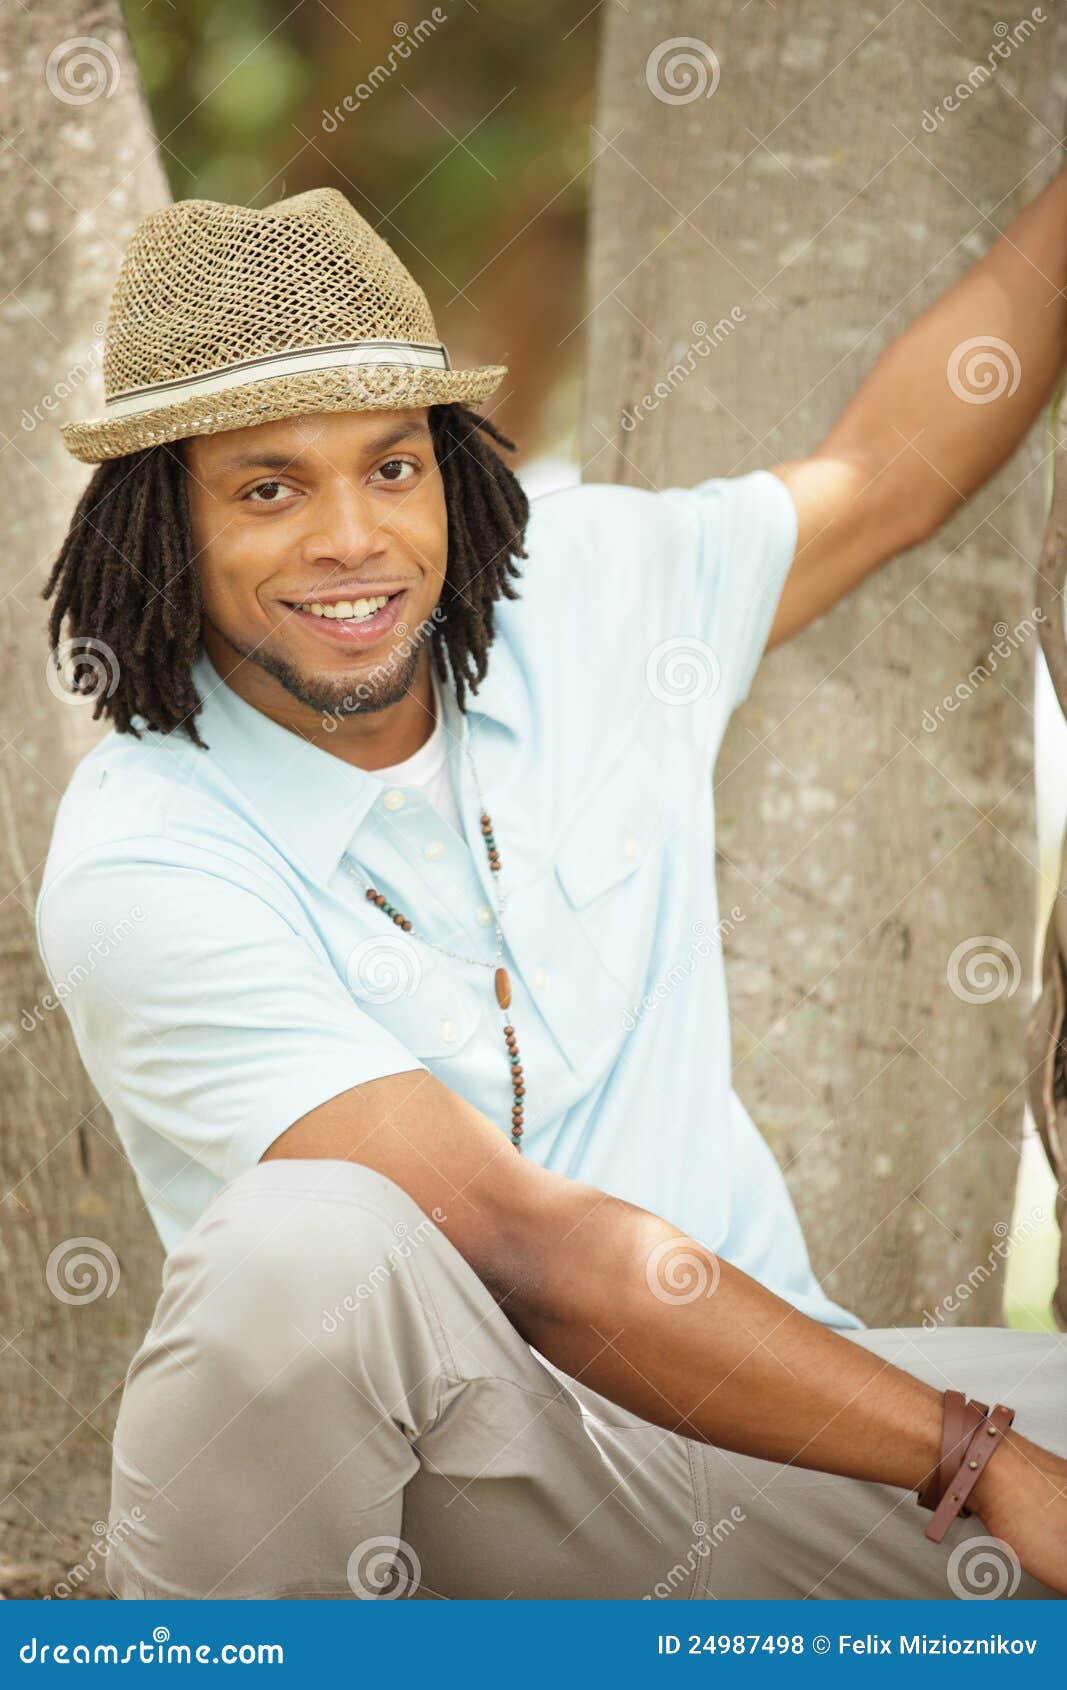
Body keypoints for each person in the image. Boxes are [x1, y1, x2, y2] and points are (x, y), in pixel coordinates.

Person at [36, 185, 1067, 1601]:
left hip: (790, 1427)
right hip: (471, 1490)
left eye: (391, 467)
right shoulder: (145, 856)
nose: (353, 537)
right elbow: (527, 1247)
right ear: (166, 526)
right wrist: (980, 1457)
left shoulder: (585, 602)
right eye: (269, 487)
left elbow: (887, 472)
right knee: (295, 1245)